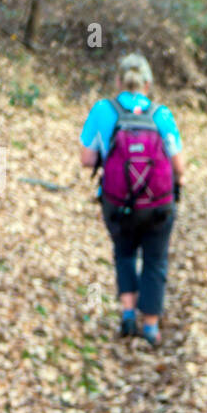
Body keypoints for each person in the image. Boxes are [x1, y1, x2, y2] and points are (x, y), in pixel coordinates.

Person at [79, 53, 185, 347]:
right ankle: (150, 327)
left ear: (118, 81)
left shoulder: (102, 109)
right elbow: (179, 167)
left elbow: (87, 159)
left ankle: (128, 314)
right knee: (155, 259)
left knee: (124, 253)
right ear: (148, 84)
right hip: (158, 206)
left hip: (117, 202)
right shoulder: (161, 114)